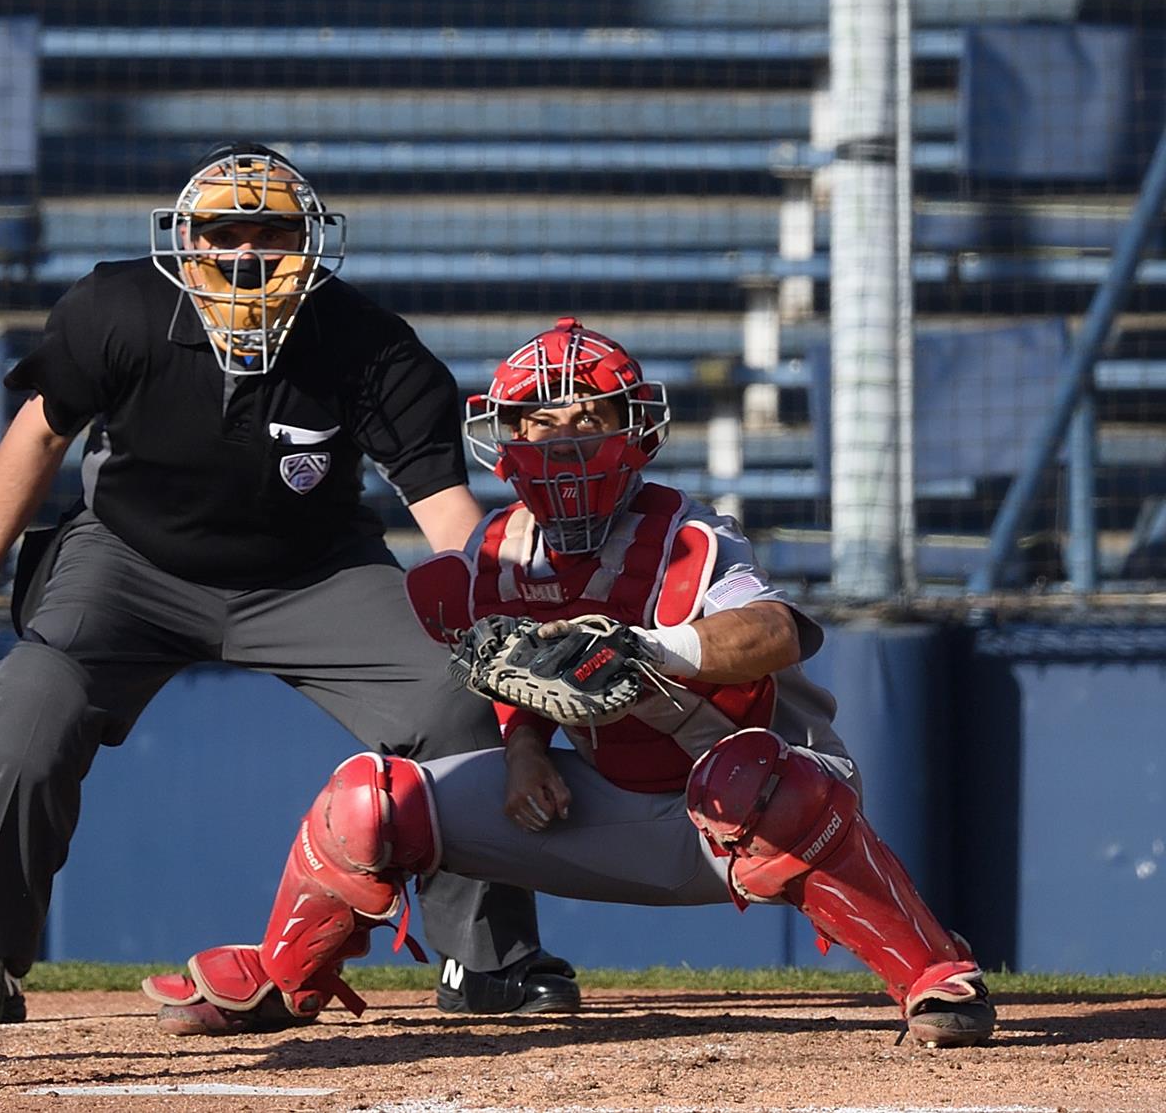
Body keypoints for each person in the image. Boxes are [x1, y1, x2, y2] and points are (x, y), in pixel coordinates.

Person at [142, 317, 999, 1049]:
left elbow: (772, 632)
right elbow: (513, 668)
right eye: (540, 420)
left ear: (637, 432)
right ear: (504, 439)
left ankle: (932, 971)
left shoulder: (686, 535)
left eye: (588, 417)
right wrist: (521, 750)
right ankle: (284, 981)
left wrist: (649, 651)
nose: (564, 437)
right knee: (366, 801)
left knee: (757, 781)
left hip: (745, 808)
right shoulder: (494, 549)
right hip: (602, 806)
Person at [0, 142, 579, 1029]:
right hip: (129, 562)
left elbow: (445, 514)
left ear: (311, 245)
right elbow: (38, 433)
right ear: (186, 241)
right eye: (225, 231)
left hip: (312, 571)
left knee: (456, 706)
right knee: (29, 706)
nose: (247, 254)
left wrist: (507, 600)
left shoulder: (368, 344)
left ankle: (485, 959)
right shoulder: (120, 307)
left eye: (272, 233)